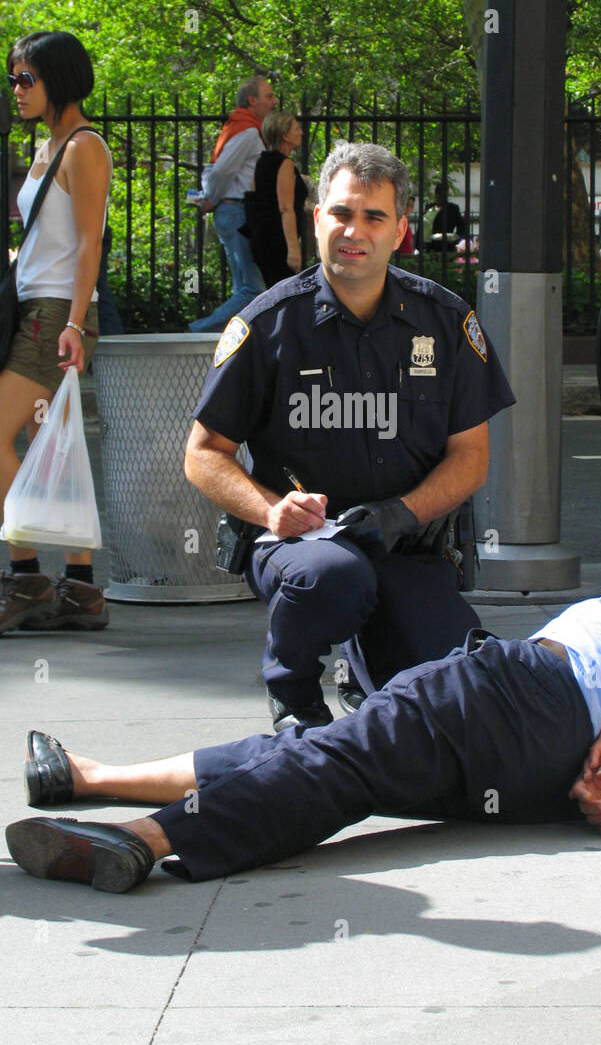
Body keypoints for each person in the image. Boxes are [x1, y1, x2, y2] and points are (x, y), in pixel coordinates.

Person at [4, 546, 601, 892]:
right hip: (545, 783)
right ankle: (89, 778)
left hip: (531, 691)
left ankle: (142, 841)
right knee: (334, 753)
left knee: (341, 762)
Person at [184, 142, 514, 731]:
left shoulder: (447, 323)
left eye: (373, 216)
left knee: (464, 697)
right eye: (340, 212)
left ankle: (364, 668)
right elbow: (203, 455)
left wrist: (397, 515)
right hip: (302, 547)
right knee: (333, 576)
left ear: (400, 230)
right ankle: (292, 691)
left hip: (406, 544)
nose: (353, 230)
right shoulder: (265, 326)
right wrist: (272, 511)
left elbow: (471, 460)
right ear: (316, 219)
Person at [0, 30, 112, 636]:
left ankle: (26, 577)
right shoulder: (51, 145)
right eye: (13, 79)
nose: (15, 90)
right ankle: (80, 591)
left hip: (57, 317)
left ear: (60, 79)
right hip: (35, 310)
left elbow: (89, 245)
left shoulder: (84, 147)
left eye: (27, 79)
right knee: (53, 450)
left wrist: (73, 322)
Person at [189, 77, 276, 332]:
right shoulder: (248, 132)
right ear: (253, 100)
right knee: (252, 291)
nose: (274, 101)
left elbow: (215, 169)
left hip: (236, 211)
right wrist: (210, 200)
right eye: (269, 96)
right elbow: (220, 171)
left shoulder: (242, 128)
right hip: (236, 210)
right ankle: (197, 332)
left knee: (247, 288)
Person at [241, 110, 306, 288]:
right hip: (279, 244)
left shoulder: (262, 162)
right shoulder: (285, 164)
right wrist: (293, 249)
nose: (300, 132)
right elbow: (286, 208)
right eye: (296, 128)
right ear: (285, 135)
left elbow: (254, 200)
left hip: (263, 241)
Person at [421, 180, 465, 251]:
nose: (439, 196)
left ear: (446, 194)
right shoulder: (429, 207)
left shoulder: (452, 209)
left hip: (446, 247)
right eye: (438, 192)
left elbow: (462, 228)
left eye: (442, 193)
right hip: (430, 248)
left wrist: (453, 240)